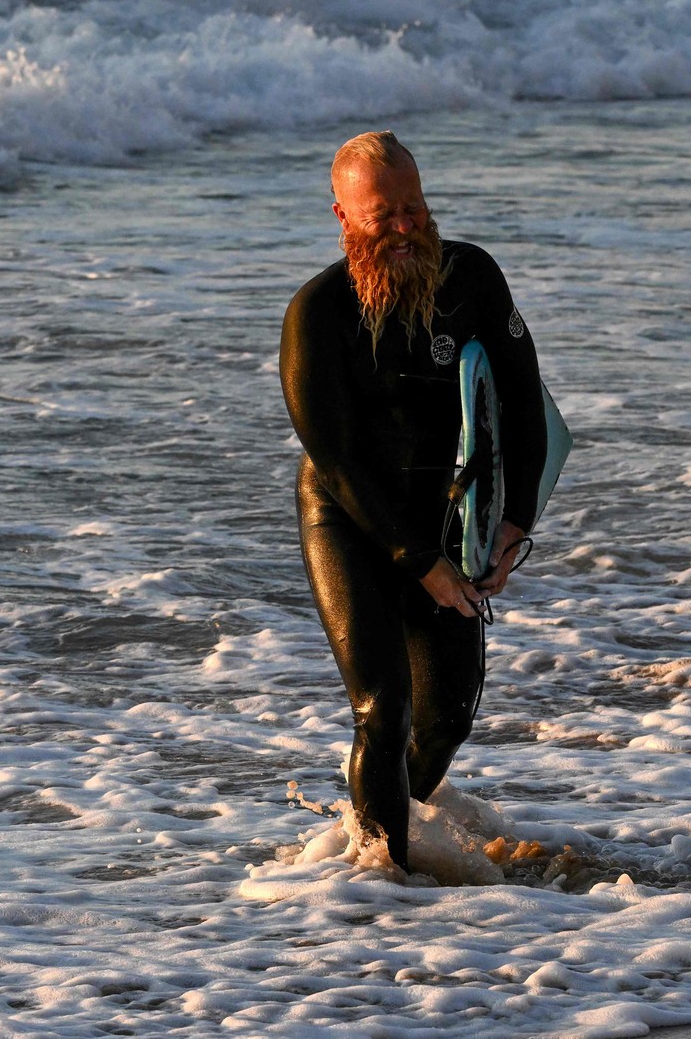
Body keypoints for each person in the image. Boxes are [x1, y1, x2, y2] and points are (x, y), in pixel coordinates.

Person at [279, 131, 548, 873]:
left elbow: (525, 405)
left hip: (446, 516)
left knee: (446, 717)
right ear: (342, 214)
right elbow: (336, 464)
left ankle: (371, 825)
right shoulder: (318, 315)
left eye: (415, 208)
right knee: (384, 707)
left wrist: (513, 522)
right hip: (349, 517)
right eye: (383, 215)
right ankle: (381, 887)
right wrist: (418, 562)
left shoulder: (473, 279)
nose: (405, 228)